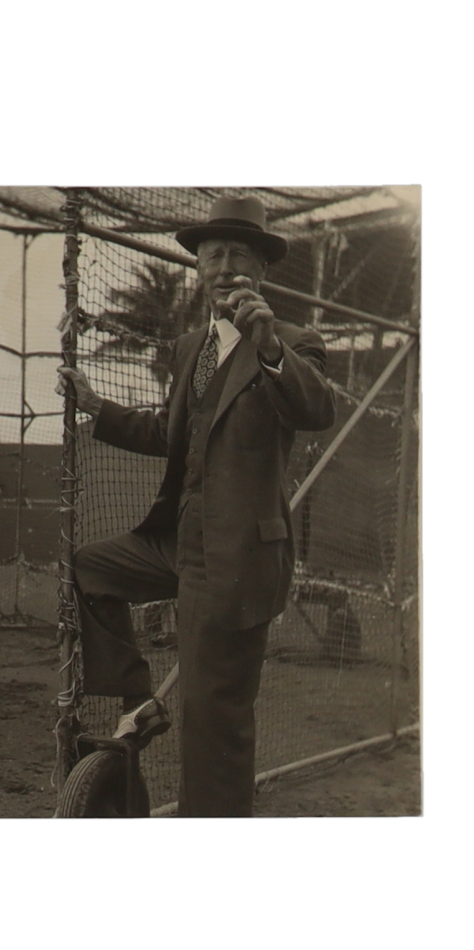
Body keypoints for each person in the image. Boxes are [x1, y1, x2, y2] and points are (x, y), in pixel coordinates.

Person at [57, 195, 336, 817]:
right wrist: (95, 407)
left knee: (214, 721)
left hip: (236, 557)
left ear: (262, 269)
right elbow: (169, 433)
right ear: (199, 266)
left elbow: (317, 410)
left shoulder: (293, 340)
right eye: (214, 253)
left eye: (241, 253)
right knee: (91, 567)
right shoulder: (190, 347)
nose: (226, 264)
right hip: (176, 539)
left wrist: (269, 350)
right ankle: (137, 701)